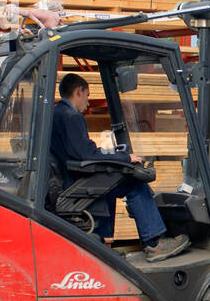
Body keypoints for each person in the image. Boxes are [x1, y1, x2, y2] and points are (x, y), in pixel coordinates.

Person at [51, 73, 190, 262]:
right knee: (134, 183)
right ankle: (154, 242)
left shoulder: (55, 113)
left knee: (111, 180)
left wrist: (113, 157)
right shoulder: (71, 116)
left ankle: (99, 243)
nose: (88, 102)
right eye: (87, 95)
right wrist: (125, 158)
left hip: (69, 177)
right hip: (76, 180)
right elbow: (87, 155)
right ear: (78, 91)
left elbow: (83, 152)